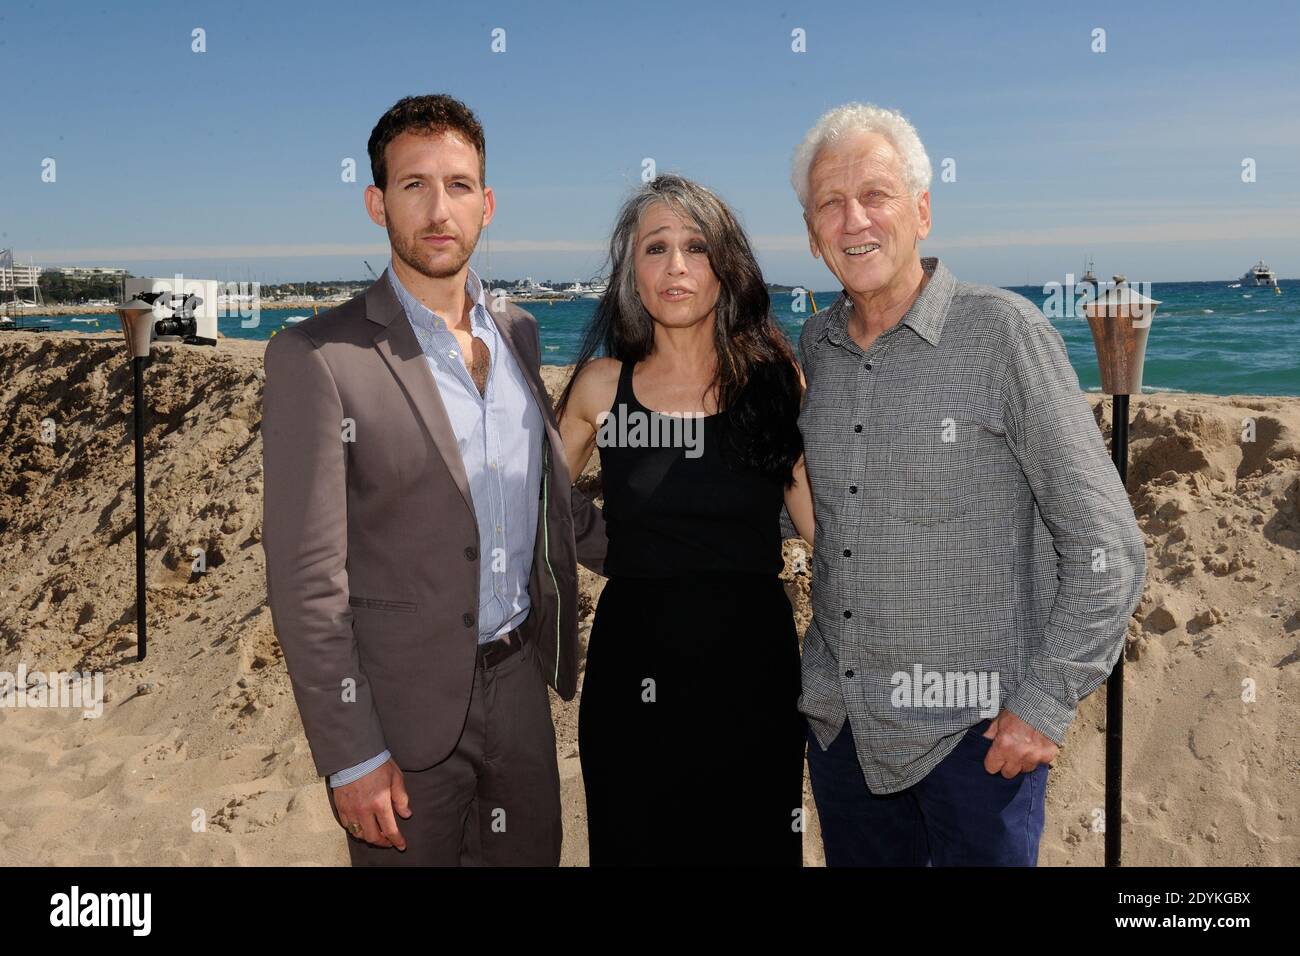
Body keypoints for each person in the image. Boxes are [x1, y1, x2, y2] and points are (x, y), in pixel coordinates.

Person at [784, 102, 1147, 866]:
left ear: (921, 209)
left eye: (876, 194)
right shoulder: (812, 347)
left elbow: (1107, 546)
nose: (855, 219)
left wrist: (1043, 706)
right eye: (830, 203)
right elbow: (816, 512)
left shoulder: (1005, 335)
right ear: (814, 236)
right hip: (844, 735)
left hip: (976, 747)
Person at [262, 94, 606, 866]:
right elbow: (305, 580)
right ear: (377, 203)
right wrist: (351, 755)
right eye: (414, 185)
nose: (438, 207)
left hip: (520, 694)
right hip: (398, 717)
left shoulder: (515, 332)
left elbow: (551, 505)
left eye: (457, 185)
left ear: (486, 204)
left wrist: (685, 543)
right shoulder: (317, 358)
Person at [557, 175, 815, 865]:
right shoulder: (600, 387)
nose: (675, 265)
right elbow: (534, 503)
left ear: (725, 269)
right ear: (630, 273)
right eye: (655, 247)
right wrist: (615, 547)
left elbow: (821, 524)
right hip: (631, 669)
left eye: (695, 247)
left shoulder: (773, 380)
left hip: (754, 669)